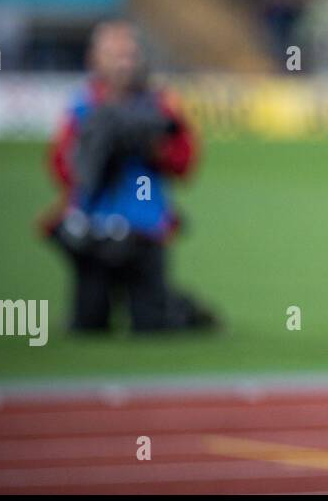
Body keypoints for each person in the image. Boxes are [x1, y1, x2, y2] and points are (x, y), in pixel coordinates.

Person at [39, 20, 218, 333]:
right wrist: (97, 158)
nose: (124, 64)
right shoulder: (83, 106)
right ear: (94, 59)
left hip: (144, 228)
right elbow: (62, 166)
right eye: (114, 55)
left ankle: (181, 309)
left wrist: (152, 148)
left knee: (152, 325)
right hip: (92, 229)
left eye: (129, 55)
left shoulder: (159, 105)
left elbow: (185, 162)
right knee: (89, 325)